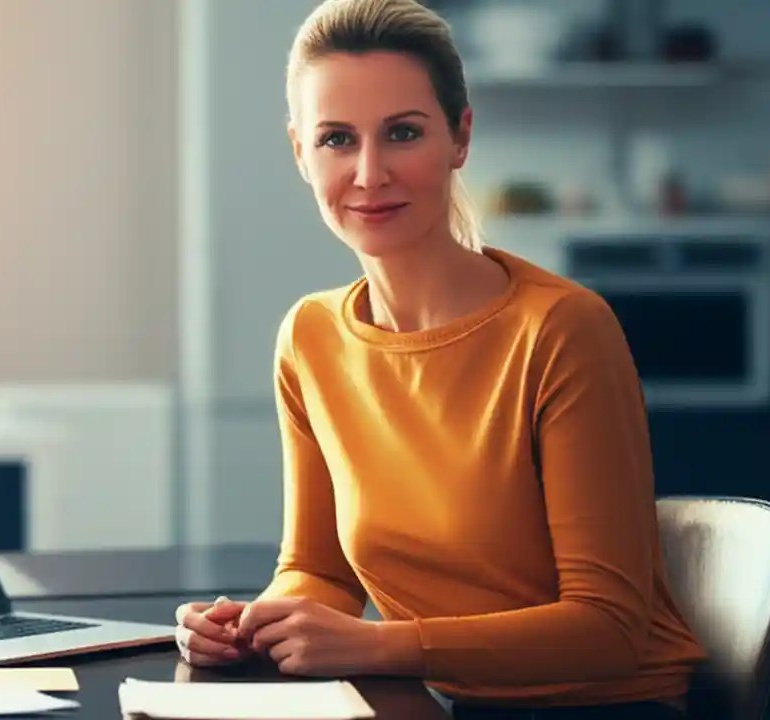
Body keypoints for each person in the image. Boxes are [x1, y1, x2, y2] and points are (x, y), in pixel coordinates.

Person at [172, 1, 707, 718]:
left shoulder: (561, 330)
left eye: (402, 133)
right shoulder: (310, 336)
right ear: (301, 153)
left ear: (460, 136)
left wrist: (374, 645)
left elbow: (605, 630)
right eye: (336, 139)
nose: (368, 173)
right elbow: (316, 568)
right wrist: (255, 626)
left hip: (606, 705)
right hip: (440, 702)